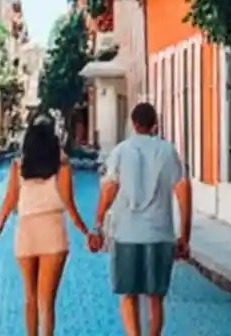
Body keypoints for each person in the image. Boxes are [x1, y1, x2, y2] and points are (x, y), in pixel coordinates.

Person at [90, 103, 192, 336]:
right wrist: (185, 235)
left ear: (133, 123)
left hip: (126, 234)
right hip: (159, 234)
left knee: (128, 295)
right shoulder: (168, 151)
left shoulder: (120, 151)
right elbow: (183, 191)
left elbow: (109, 189)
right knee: (155, 297)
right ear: (154, 124)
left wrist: (97, 226)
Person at [0, 120, 91, 336]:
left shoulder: (18, 166)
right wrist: (87, 233)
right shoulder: (62, 167)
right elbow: (70, 205)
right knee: (47, 301)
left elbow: (8, 203)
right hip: (53, 234)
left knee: (30, 297)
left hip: (26, 234)